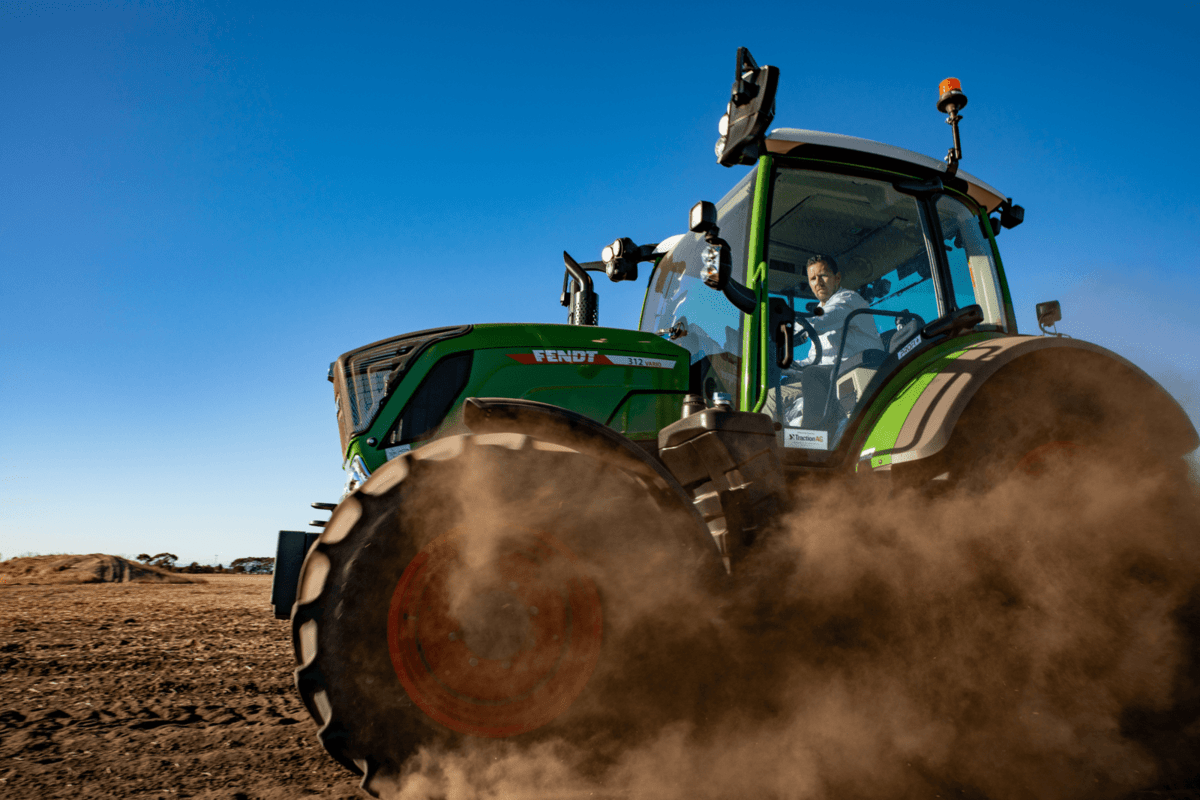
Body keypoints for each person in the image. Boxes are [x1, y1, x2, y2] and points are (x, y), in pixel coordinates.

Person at [764, 255, 884, 428]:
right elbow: (816, 357)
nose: (818, 282)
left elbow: (822, 321)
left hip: (850, 369)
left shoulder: (848, 299)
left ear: (837, 278)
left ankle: (814, 437)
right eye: (813, 278)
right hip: (827, 373)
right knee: (771, 395)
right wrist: (791, 366)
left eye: (823, 275)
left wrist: (783, 328)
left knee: (813, 374)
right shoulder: (820, 309)